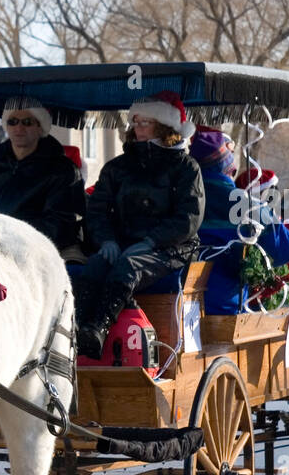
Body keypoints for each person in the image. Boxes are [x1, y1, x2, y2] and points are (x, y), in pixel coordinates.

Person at [76, 91, 204, 359]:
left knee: (128, 268)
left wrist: (151, 242)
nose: (137, 127)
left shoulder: (186, 168)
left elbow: (188, 219)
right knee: (93, 267)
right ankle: (76, 331)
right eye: (135, 121)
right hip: (122, 243)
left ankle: (98, 330)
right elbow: (97, 211)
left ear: (163, 126)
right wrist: (106, 240)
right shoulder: (117, 167)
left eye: (145, 122)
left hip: (171, 247)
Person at [0, 95, 87, 261]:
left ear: (41, 127)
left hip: (43, 249)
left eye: (27, 122)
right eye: (12, 121)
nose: (19, 127)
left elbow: (60, 224)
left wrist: (7, 235)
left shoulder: (62, 170)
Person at [190, 134, 289, 313]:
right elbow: (285, 250)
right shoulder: (248, 205)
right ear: (229, 169)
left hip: (175, 302)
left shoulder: (177, 200)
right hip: (226, 306)